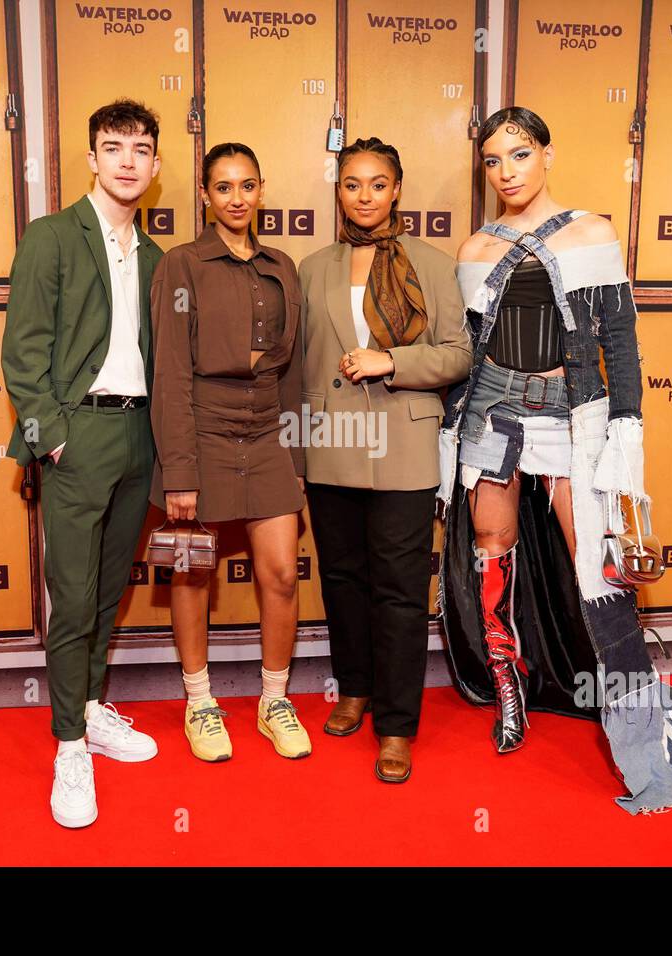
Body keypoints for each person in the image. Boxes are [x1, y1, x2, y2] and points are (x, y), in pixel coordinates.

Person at [440, 106, 672, 814]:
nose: (507, 172)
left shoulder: (592, 233)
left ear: (547, 155)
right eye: (494, 161)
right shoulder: (474, 249)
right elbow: (466, 355)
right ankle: (510, 690)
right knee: (491, 552)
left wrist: (626, 431)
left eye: (520, 155)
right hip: (493, 410)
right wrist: (448, 434)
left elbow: (619, 343)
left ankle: (636, 726)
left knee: (598, 568)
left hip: (571, 415)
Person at [1, 99, 163, 828]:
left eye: (140, 148)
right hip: (79, 438)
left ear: (156, 166)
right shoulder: (52, 238)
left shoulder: (159, 257)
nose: (127, 159)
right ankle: (68, 745)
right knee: (71, 598)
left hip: (138, 440)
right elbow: (22, 354)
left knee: (105, 597)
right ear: (92, 159)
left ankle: (92, 710)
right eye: (113, 147)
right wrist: (52, 439)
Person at [298, 137, 471, 783]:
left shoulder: (429, 263)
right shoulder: (311, 267)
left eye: (377, 183)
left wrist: (391, 360)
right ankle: (355, 689)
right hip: (330, 445)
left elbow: (458, 354)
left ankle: (396, 725)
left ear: (396, 189)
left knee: (399, 592)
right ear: (337, 190)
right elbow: (299, 367)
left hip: (402, 445)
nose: (364, 195)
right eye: (351, 184)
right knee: (342, 579)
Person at [149, 142, 311, 763]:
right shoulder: (182, 265)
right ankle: (200, 703)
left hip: (268, 429)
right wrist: (179, 472)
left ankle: (274, 699)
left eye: (247, 186)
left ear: (260, 190)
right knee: (193, 571)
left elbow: (292, 373)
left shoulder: (282, 265)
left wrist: (296, 463)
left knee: (279, 573)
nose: (237, 198)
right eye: (223, 187)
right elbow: (170, 372)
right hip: (203, 428)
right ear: (205, 196)